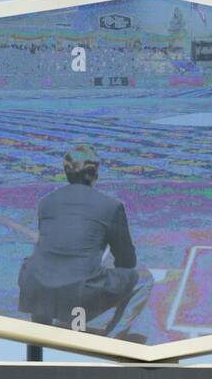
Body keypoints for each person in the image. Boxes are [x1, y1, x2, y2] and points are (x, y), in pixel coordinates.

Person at [18, 143, 152, 343]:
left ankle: (42, 334)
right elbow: (127, 261)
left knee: (39, 266)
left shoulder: (46, 202)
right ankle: (112, 340)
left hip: (37, 287)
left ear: (66, 171)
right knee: (144, 279)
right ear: (95, 172)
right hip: (80, 293)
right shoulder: (111, 206)